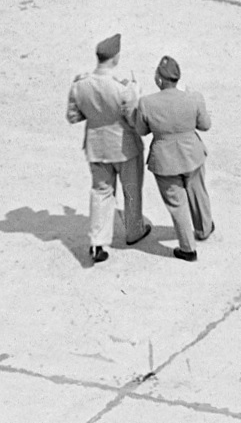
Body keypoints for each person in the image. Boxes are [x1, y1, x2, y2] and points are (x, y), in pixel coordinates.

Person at [66, 33, 148, 261]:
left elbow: (72, 116)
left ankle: (97, 243)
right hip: (125, 147)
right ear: (115, 57)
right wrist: (137, 94)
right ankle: (134, 230)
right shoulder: (123, 88)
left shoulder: (79, 84)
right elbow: (134, 120)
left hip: (96, 147)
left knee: (101, 192)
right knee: (131, 190)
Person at [132, 55, 215, 261]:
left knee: (177, 204)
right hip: (192, 155)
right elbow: (205, 125)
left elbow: (141, 131)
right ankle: (204, 228)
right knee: (198, 193)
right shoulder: (193, 97)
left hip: (165, 161)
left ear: (160, 79)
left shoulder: (146, 103)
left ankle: (187, 248)